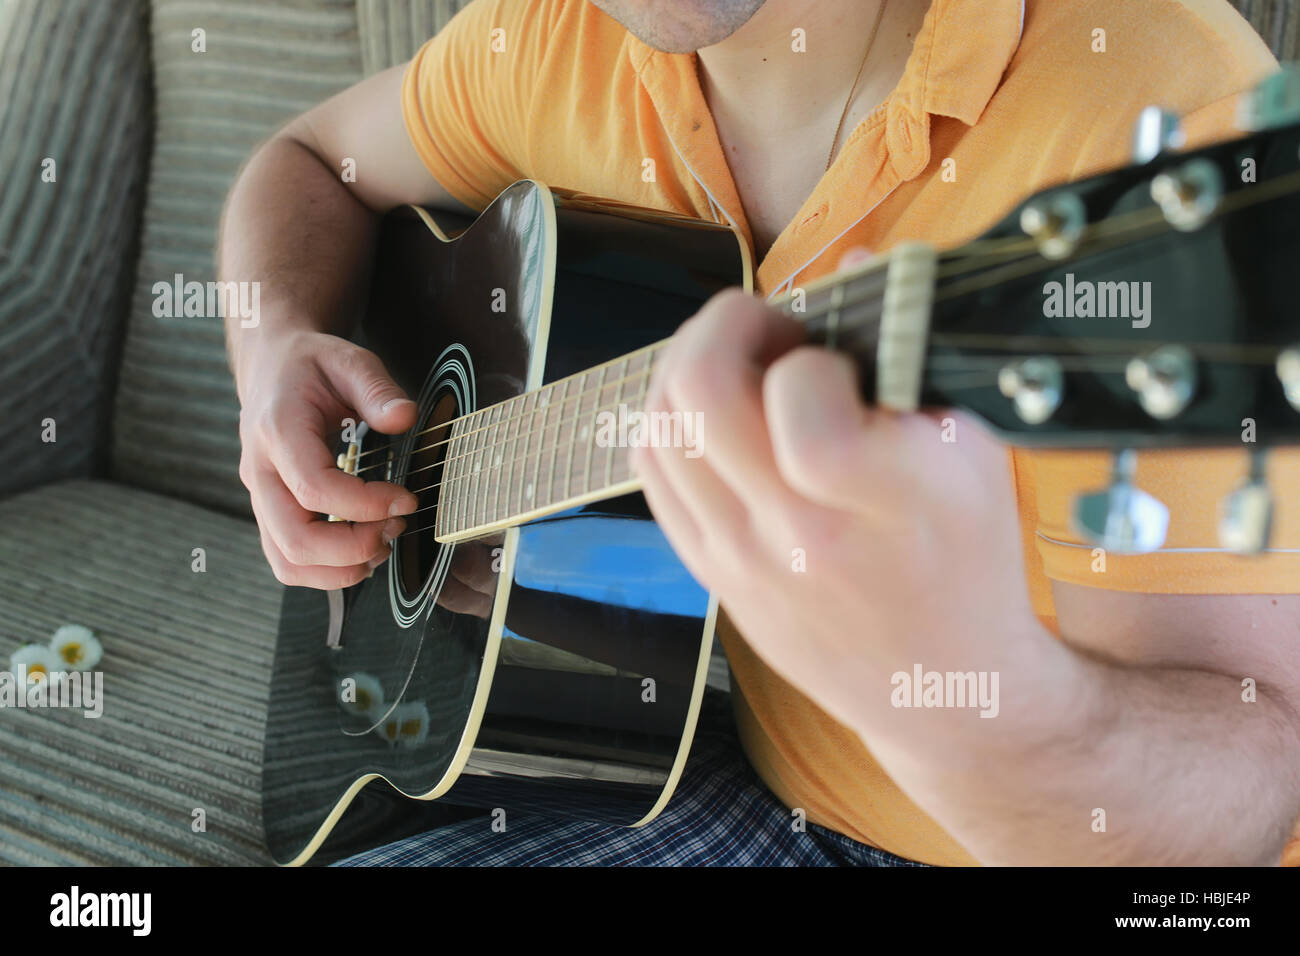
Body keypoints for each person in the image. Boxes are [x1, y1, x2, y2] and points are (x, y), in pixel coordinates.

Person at [220, 0, 1300, 865]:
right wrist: (274, 347)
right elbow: (311, 160)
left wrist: (965, 695)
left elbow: (1252, 785)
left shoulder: (1168, 109)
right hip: (742, 787)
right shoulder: (553, 34)